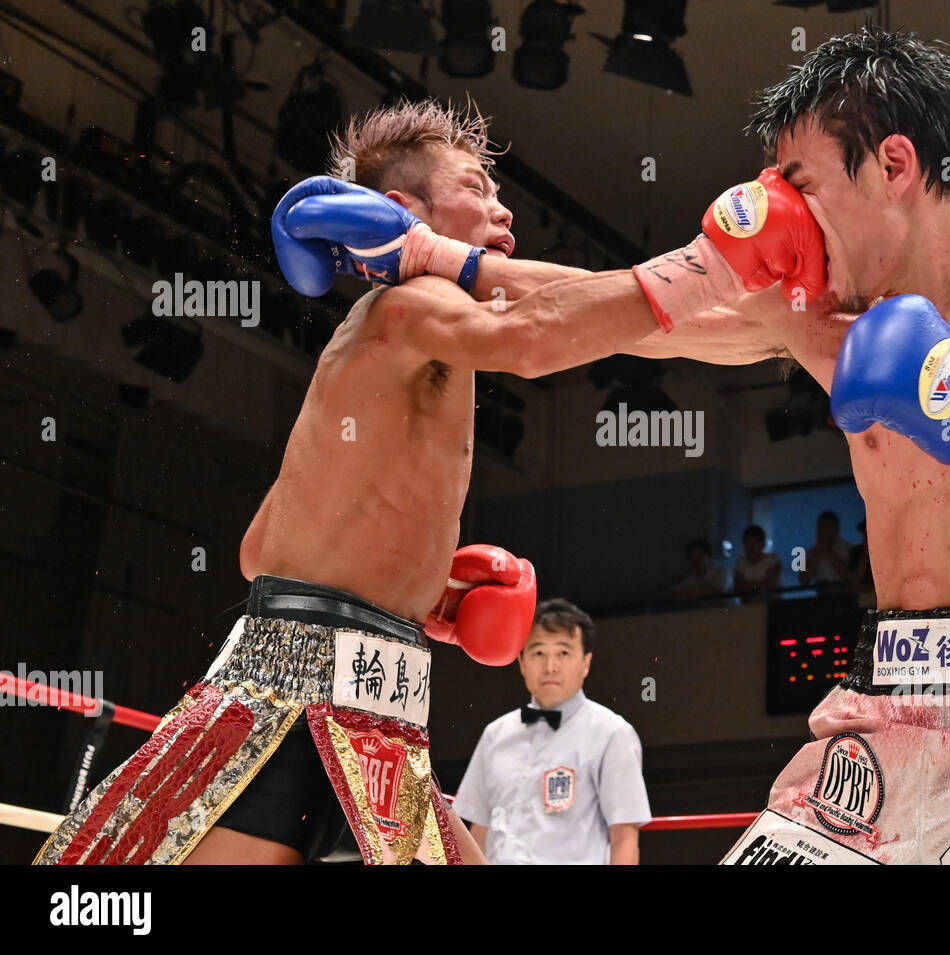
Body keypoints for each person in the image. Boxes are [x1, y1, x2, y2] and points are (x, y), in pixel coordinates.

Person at [278, 27, 950, 864]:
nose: (785, 211)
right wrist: (434, 256)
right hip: (881, 711)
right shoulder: (811, 315)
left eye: (801, 184)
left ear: (894, 164)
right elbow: (604, 302)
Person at [34, 97, 702, 866]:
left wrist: (416, 580)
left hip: (376, 702)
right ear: (403, 214)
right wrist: (705, 276)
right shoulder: (413, 304)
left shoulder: (406, 331)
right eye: (476, 186)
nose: (503, 207)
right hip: (294, 697)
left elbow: (258, 548)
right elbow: (530, 335)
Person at [453, 599, 652, 864]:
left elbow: (624, 839)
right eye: (538, 653)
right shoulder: (495, 734)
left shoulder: (612, 734)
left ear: (586, 663)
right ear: (521, 662)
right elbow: (479, 832)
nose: (550, 666)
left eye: (563, 653)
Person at [799, 510, 852, 588]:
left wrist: (827, 551)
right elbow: (804, 580)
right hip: (822, 592)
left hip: (843, 592)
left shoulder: (847, 548)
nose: (823, 530)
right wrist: (817, 554)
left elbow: (850, 576)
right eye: (820, 526)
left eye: (827, 526)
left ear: (836, 528)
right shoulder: (811, 552)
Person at [670, 537, 728, 601]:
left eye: (700, 555)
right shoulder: (690, 579)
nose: (696, 559)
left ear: (708, 556)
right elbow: (675, 593)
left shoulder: (721, 573)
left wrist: (691, 592)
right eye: (692, 556)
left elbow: (718, 591)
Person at [733, 524, 783, 596]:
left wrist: (748, 586)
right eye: (746, 544)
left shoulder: (772, 560)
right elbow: (738, 587)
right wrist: (758, 586)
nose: (749, 548)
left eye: (753, 544)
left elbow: (768, 585)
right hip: (748, 603)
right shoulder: (740, 563)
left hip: (771, 602)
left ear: (762, 544)